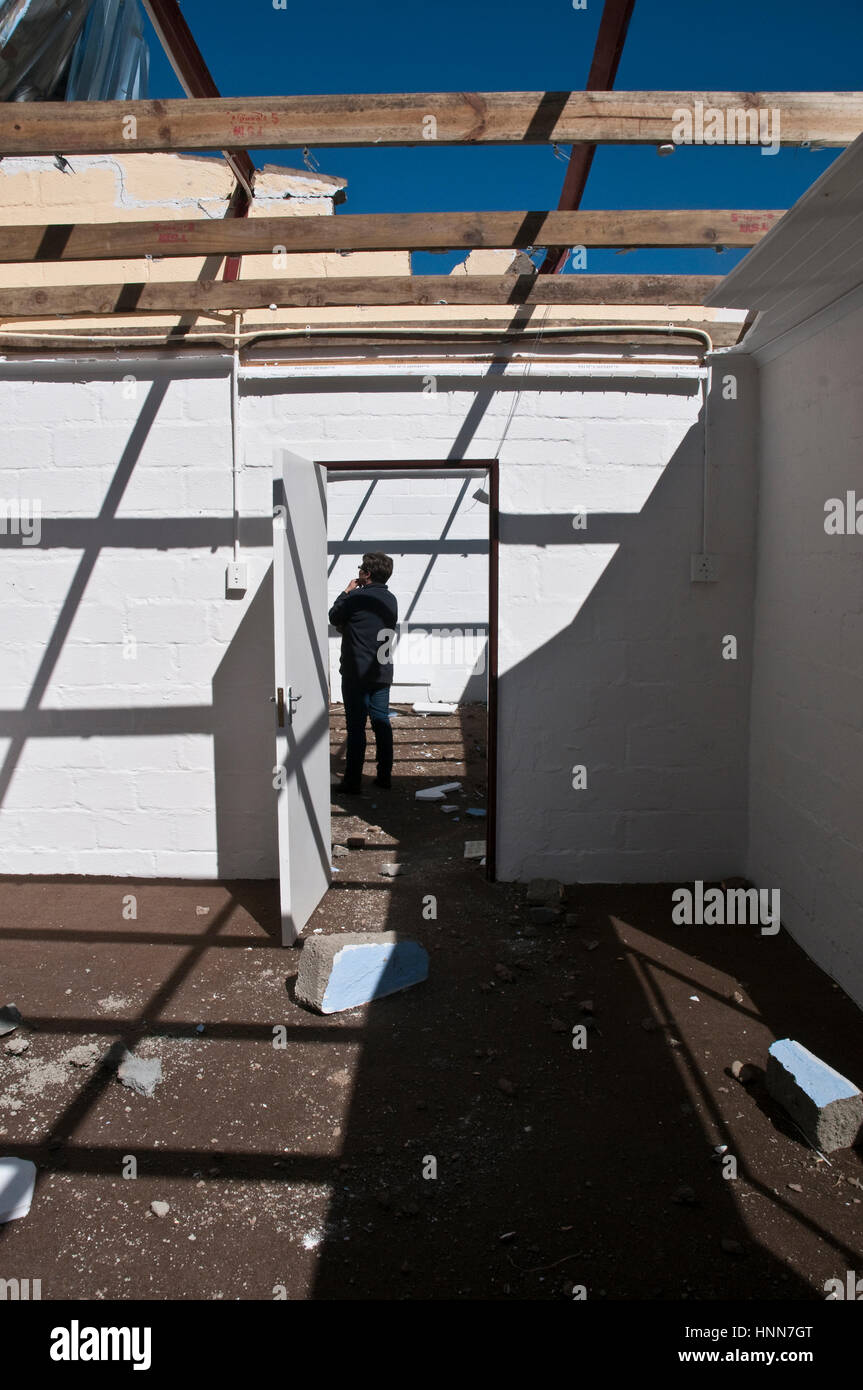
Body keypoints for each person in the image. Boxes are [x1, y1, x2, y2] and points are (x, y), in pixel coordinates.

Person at [328, 551, 398, 794]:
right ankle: (384, 776)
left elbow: (334, 616)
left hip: (356, 674)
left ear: (366, 574)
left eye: (360, 569)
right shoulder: (391, 599)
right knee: (381, 723)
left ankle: (352, 782)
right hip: (381, 673)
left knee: (356, 728)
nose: (358, 572)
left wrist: (346, 591)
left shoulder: (356, 597)